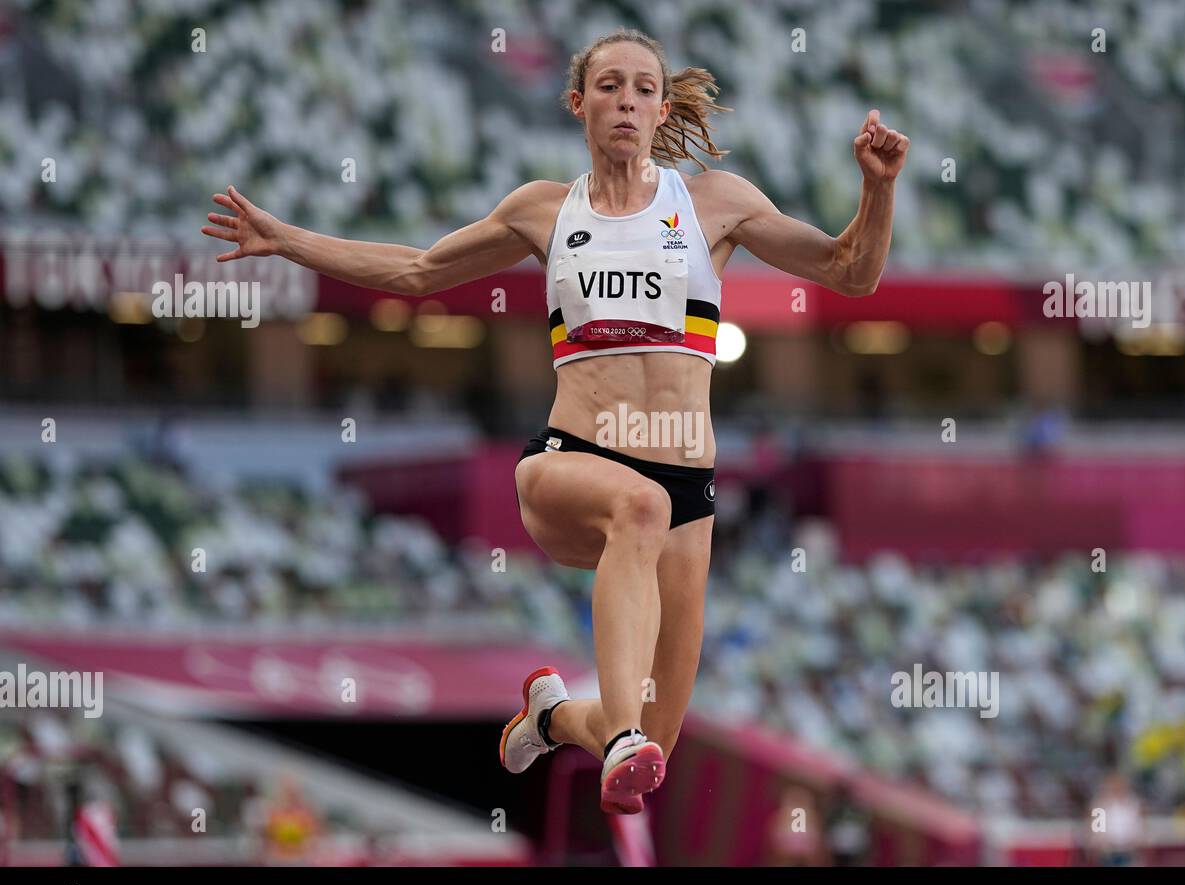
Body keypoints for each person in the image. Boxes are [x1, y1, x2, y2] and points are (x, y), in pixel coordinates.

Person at [203, 27, 908, 815]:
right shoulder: (544, 210)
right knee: (635, 510)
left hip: (688, 489)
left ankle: (554, 716)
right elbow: (417, 270)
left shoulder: (714, 203)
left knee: (647, 744)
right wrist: (286, 240)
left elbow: (852, 274)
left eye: (645, 88)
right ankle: (611, 733)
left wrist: (877, 189)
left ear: (662, 106)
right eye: (610, 85)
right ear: (579, 102)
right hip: (570, 463)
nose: (627, 102)